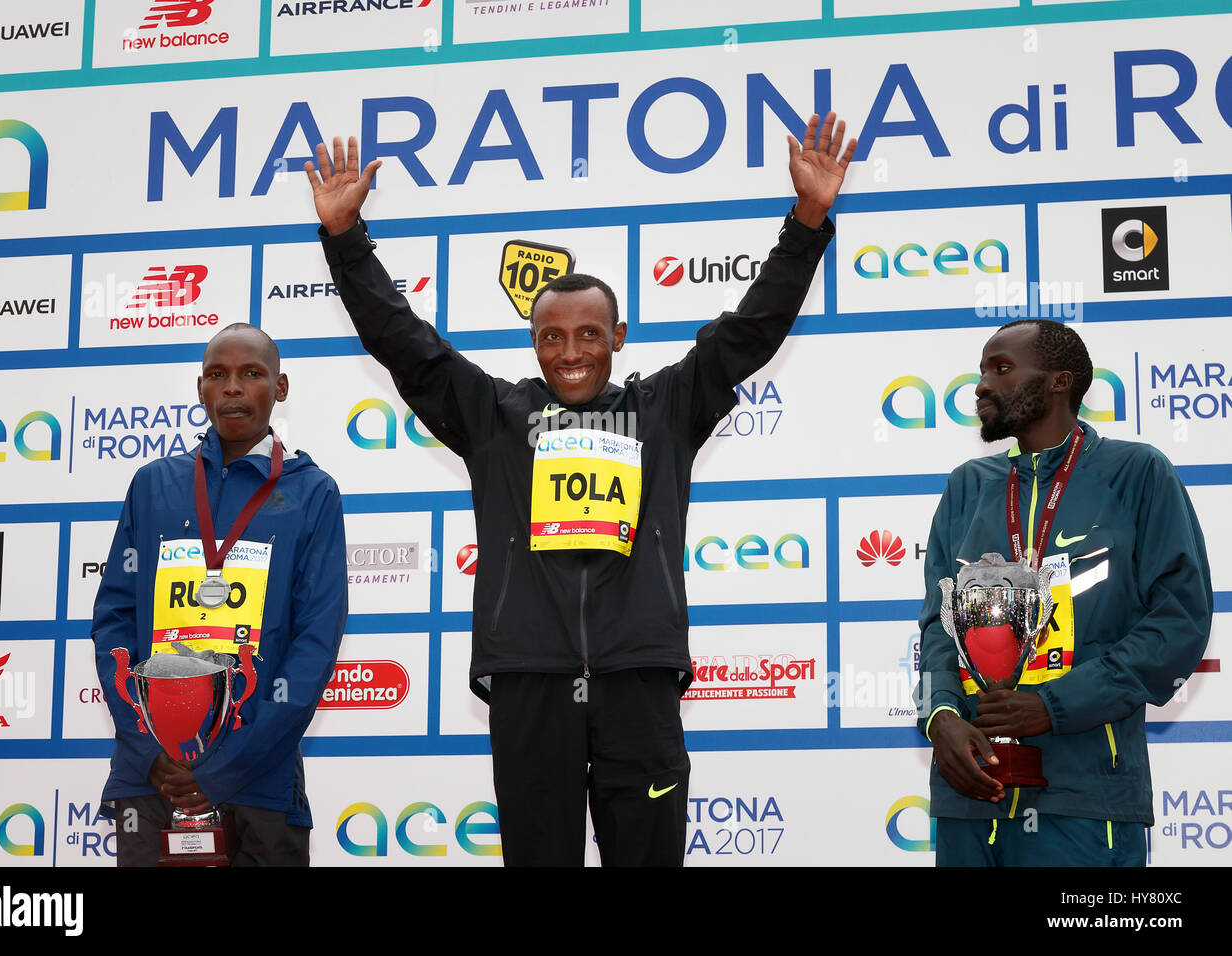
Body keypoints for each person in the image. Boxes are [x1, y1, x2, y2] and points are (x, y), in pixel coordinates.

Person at [306, 113, 855, 866]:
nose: (571, 351)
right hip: (531, 677)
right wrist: (344, 238)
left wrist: (808, 220)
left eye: (589, 334)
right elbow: (406, 344)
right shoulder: (496, 417)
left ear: (618, 336)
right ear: (534, 343)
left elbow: (749, 331)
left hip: (638, 679)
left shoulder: (663, 411)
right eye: (553, 336)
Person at [915, 318, 1212, 866]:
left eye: (1001, 369)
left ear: (1059, 381)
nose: (982, 385)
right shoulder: (966, 486)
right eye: (982, 370)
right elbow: (939, 625)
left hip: (1084, 796)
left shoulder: (1136, 472)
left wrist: (1053, 706)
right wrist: (942, 719)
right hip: (970, 795)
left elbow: (1179, 624)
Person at [92, 323, 347, 866]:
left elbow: (315, 642)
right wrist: (146, 746)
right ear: (200, 388)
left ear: (279, 388)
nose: (232, 387)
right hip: (152, 776)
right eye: (218, 375)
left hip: (259, 775)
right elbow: (114, 622)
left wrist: (227, 766)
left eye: (251, 374)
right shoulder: (152, 484)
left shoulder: (311, 493)